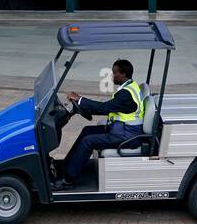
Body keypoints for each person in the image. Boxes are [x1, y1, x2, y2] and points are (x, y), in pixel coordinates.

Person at [53, 59, 146, 189]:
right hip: (121, 129)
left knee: (88, 141)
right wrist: (82, 103)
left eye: (114, 73)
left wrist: (80, 100)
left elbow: (103, 108)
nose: (112, 75)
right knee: (87, 131)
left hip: (127, 136)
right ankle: (67, 165)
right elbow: (106, 108)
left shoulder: (126, 95)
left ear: (123, 74)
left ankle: (68, 179)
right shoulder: (129, 87)